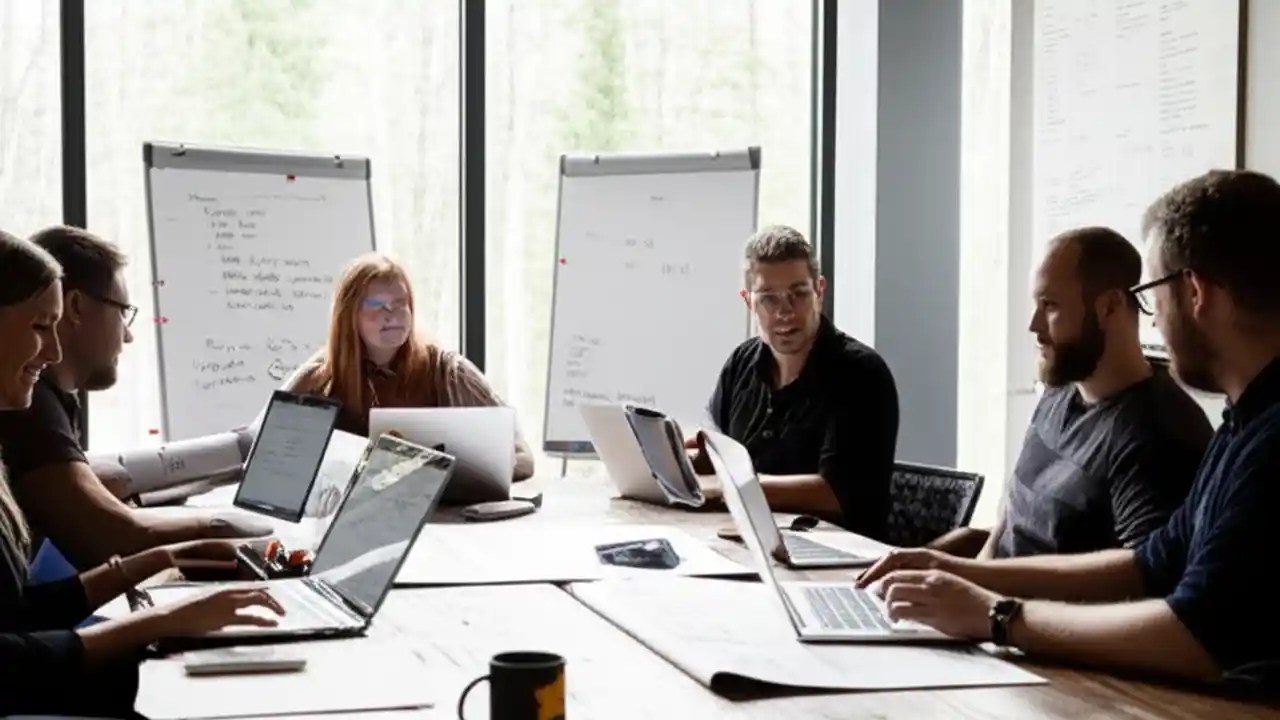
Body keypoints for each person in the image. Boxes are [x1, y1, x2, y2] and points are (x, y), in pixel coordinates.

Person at [857, 169, 1280, 689]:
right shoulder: (1245, 421)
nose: (1151, 318)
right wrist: (957, 572)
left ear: (1194, 292)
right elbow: (1145, 566)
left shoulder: (1267, 440)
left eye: (1151, 293)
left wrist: (999, 616)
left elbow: (1195, 636)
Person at [0, 229, 284, 717]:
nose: (52, 353)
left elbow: (15, 611)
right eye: (40, 327)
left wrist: (162, 558)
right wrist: (157, 621)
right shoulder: (31, 414)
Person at [931, 227, 1211, 559]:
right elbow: (1011, 527)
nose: (1033, 325)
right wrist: (943, 570)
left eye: (1049, 305)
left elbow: (1143, 584)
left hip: (1017, 611)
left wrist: (977, 593)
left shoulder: (1159, 435)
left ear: (1109, 307)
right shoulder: (1060, 388)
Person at [0, 226, 267, 571]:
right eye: (122, 311)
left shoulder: (40, 400)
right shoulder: (29, 405)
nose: (127, 335)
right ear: (76, 306)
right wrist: (242, 532)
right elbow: (113, 538)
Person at [699, 225, 899, 540]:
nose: (785, 312)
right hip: (753, 540)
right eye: (768, 299)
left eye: (798, 294)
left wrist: (733, 487)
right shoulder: (741, 363)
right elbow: (717, 452)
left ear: (819, 291)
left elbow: (835, 494)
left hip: (839, 556)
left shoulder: (861, 374)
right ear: (748, 301)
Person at [271, 252, 534, 480]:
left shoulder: (449, 373)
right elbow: (268, 459)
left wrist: (442, 474)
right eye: (377, 306)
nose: (392, 315)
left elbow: (522, 455)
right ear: (348, 316)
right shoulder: (317, 379)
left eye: (400, 304)